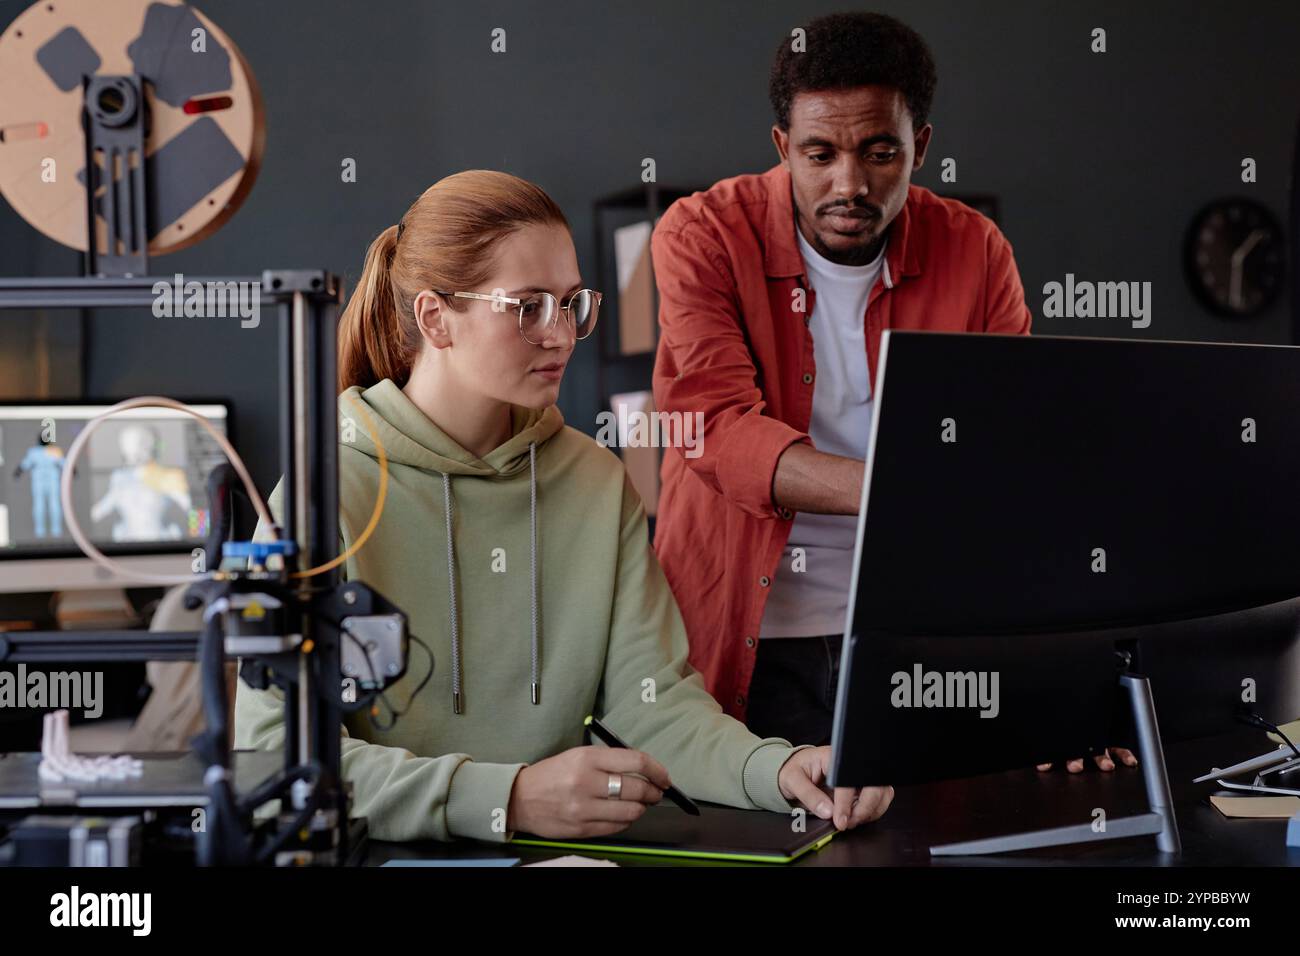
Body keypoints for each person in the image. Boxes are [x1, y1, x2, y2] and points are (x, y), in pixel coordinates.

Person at [234, 170, 894, 842]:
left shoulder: (595, 481)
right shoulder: (325, 493)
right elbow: (273, 763)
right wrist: (505, 797)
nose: (561, 335)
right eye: (528, 307)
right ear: (436, 318)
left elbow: (656, 704)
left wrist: (776, 768)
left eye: (572, 304)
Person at [650, 11, 1135, 775]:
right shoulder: (702, 235)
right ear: (783, 147)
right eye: (820, 154)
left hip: (913, 637)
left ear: (922, 147)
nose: (850, 184)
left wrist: (1058, 673)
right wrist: (903, 492)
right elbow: (712, 429)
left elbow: (1010, 457)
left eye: (880, 152)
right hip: (743, 634)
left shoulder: (973, 250)